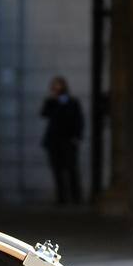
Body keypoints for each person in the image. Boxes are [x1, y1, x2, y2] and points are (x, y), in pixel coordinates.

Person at [39, 75, 84, 205]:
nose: (57, 88)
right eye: (55, 85)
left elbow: (79, 120)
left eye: (59, 85)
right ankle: (61, 198)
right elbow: (44, 113)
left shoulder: (72, 102)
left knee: (71, 170)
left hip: (68, 140)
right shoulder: (51, 101)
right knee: (57, 170)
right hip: (54, 141)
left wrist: (77, 137)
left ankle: (76, 198)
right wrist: (54, 101)